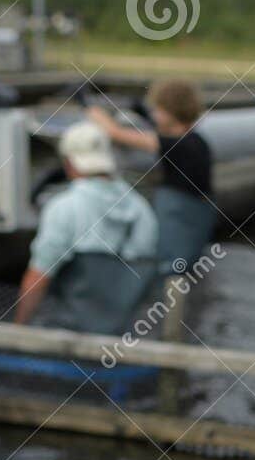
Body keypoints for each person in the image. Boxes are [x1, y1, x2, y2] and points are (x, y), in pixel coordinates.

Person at [16, 121, 158, 333]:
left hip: (68, 338)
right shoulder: (142, 209)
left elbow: (38, 277)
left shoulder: (63, 207)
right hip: (124, 339)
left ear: (69, 163)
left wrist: (18, 328)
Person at [86, 78, 214, 273]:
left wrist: (95, 113)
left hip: (180, 220)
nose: (153, 115)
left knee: (170, 271)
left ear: (169, 112)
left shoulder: (179, 146)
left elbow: (116, 133)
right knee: (186, 269)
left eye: (157, 110)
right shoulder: (197, 141)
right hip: (194, 224)